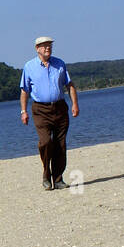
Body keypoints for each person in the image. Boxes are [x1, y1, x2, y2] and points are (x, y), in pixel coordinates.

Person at [19, 36, 80, 190]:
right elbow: (24, 91)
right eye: (44, 46)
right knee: (46, 142)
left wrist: (74, 104)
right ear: (37, 48)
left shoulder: (59, 64)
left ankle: (58, 179)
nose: (48, 48)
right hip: (40, 110)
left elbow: (69, 85)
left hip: (60, 108)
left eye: (49, 45)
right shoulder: (29, 66)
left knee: (60, 144)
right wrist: (24, 111)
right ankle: (46, 174)